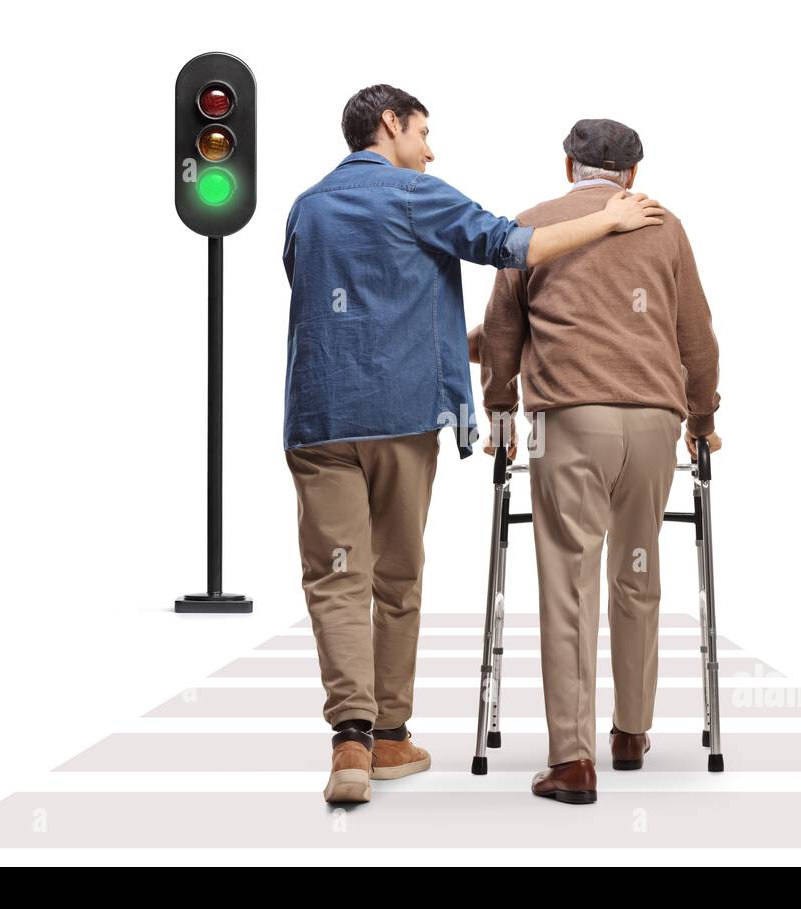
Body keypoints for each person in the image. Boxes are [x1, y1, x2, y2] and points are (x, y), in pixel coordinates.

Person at [282, 88, 668, 803]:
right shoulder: (416, 195)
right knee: (396, 577)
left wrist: (492, 375)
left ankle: (353, 746)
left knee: (337, 577)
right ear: (390, 124)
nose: (430, 150)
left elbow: (346, 307)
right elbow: (508, 246)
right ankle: (394, 732)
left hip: (319, 416)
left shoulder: (307, 206)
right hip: (400, 417)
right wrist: (606, 218)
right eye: (423, 132)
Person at [477, 118, 722, 804]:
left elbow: (502, 335)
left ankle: (572, 761)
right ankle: (631, 732)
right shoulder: (663, 227)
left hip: (569, 420)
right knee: (637, 571)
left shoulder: (532, 226)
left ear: (567, 166)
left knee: (569, 584)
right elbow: (696, 336)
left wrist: (499, 410)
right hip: (653, 422)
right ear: (632, 175)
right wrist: (702, 420)